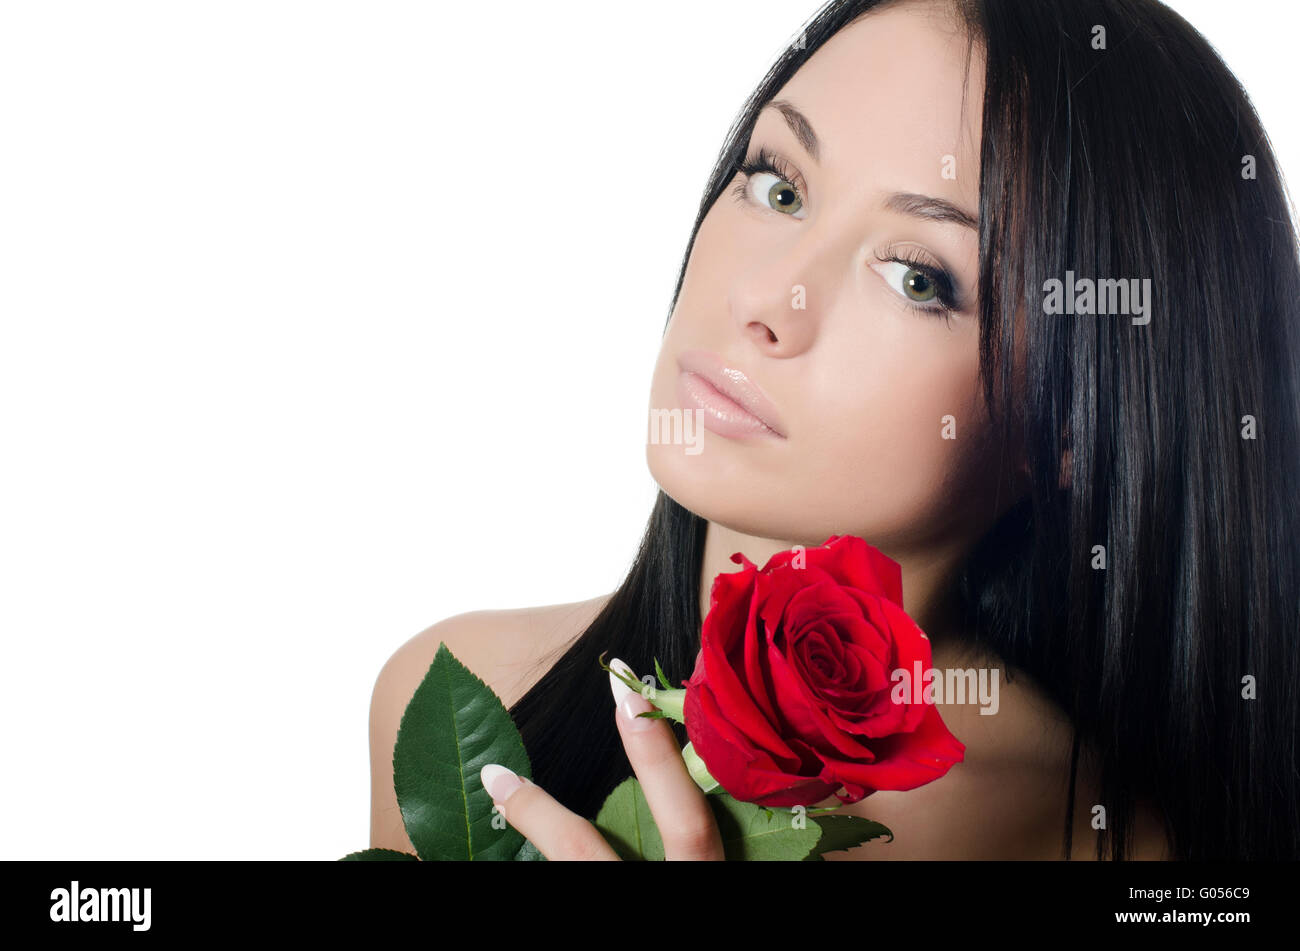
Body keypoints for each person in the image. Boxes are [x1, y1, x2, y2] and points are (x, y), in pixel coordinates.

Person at [369, 0, 1300, 860]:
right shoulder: (459, 697)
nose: (766, 297)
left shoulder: (1113, 840)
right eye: (778, 185)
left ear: (1064, 429)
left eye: (916, 276)